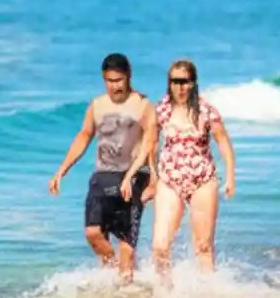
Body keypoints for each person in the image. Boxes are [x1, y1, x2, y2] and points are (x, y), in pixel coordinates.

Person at [49, 53, 157, 283]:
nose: (115, 86)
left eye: (119, 80)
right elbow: (84, 136)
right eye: (110, 81)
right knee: (93, 233)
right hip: (102, 177)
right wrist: (62, 170)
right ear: (103, 78)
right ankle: (114, 272)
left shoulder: (143, 105)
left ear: (128, 76)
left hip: (134, 177)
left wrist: (155, 181)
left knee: (127, 248)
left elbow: (152, 145)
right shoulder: (97, 105)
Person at [133, 59, 237, 282]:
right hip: (169, 180)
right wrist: (152, 178)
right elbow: (150, 143)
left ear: (193, 83)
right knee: (160, 246)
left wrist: (230, 177)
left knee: (203, 246)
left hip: (202, 180)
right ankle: (165, 293)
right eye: (174, 82)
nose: (179, 87)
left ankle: (208, 296)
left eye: (184, 82)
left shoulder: (207, 111)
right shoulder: (160, 110)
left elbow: (224, 144)